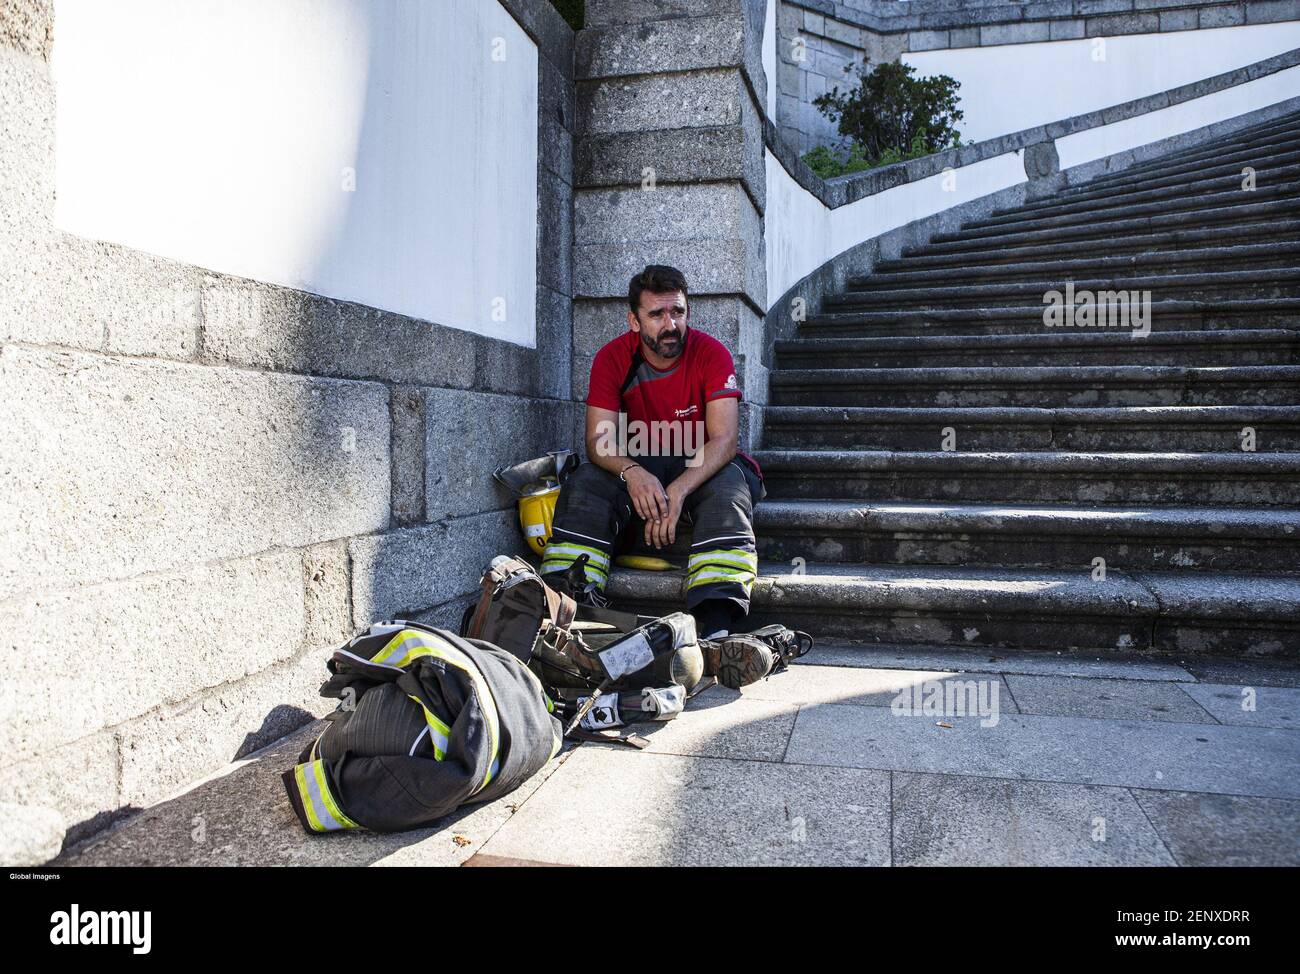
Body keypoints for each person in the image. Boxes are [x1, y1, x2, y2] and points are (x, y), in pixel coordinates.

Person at [539, 264, 767, 645]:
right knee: (585, 483)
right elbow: (599, 442)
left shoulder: (712, 354)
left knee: (730, 483)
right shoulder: (612, 358)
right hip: (636, 470)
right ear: (634, 320)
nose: (670, 324)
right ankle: (569, 600)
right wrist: (633, 472)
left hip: (698, 470)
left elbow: (724, 440)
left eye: (677, 312)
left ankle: (717, 622)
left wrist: (676, 491)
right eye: (657, 314)